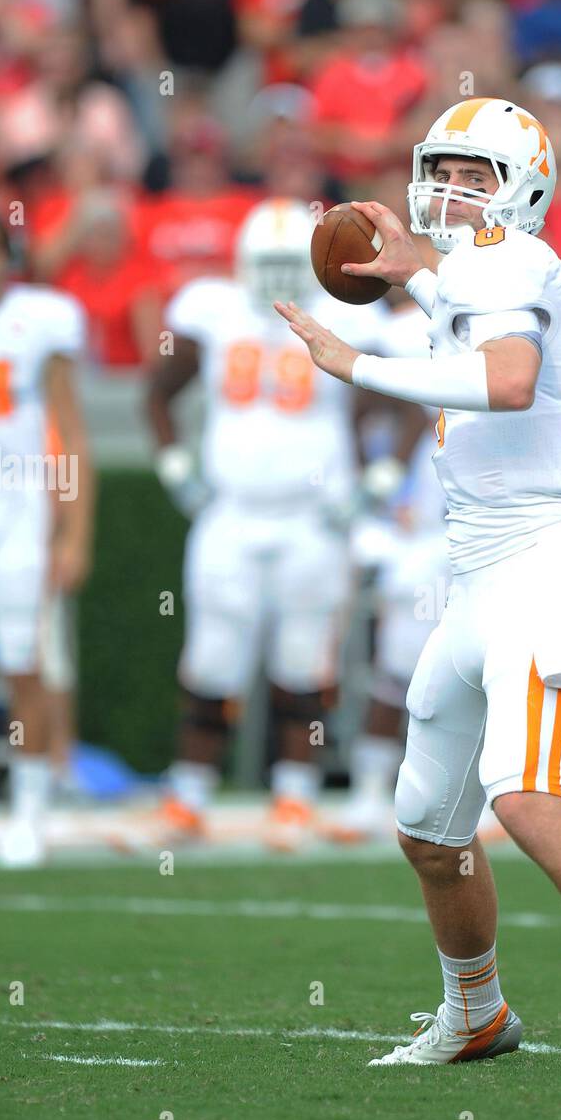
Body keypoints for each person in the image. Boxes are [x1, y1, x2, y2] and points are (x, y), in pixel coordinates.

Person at [275, 97, 561, 1080]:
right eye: (440, 167)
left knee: (525, 795)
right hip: (478, 572)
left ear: (524, 187)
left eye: (474, 174)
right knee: (428, 830)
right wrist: (417, 274)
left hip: (545, 560)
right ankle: (477, 1012)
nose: (448, 190)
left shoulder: (516, 264)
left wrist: (352, 360)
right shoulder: (476, 273)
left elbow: (503, 379)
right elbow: (472, 315)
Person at [146, 197, 391, 849]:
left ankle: (294, 798)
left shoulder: (342, 313)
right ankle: (188, 798)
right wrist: (174, 464)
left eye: (290, 263)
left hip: (313, 521)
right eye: (268, 263)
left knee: (303, 663)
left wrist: (375, 478)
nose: (280, 276)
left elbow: (394, 401)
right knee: (210, 660)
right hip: (231, 513)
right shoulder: (214, 311)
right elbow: (159, 387)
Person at [0, 214, 94, 866]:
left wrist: (74, 533)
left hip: (19, 508)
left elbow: (72, 433)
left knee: (24, 662)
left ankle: (29, 810)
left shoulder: (40, 321)